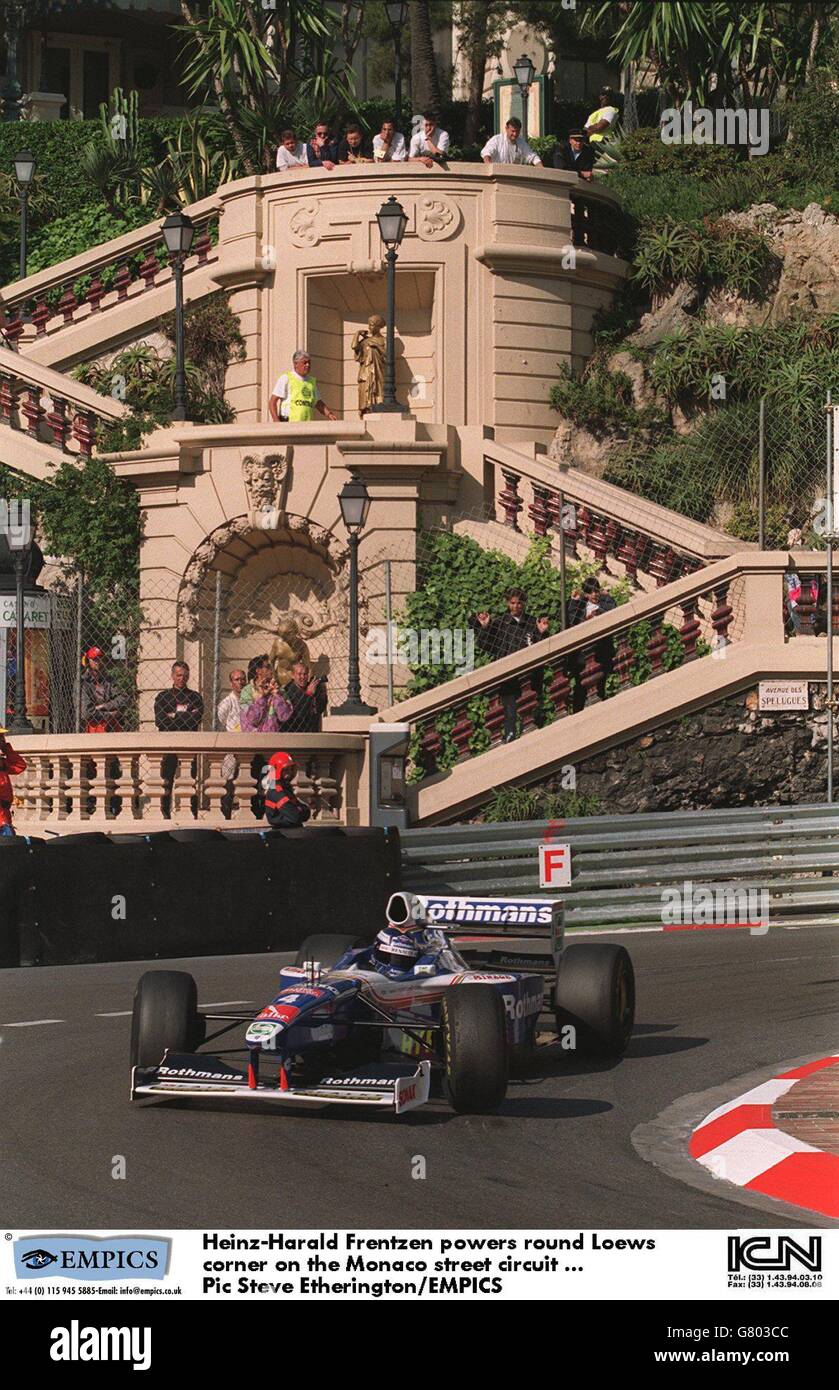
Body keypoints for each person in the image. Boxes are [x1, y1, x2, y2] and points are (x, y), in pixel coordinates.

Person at [469, 588, 550, 743]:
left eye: (519, 603)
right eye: (512, 603)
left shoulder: (532, 623)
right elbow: (486, 646)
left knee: (532, 706)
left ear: (524, 604)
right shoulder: (500, 624)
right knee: (510, 710)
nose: (516, 606)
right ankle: (510, 735)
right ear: (507, 603)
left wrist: (542, 632)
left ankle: (534, 734)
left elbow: (542, 647)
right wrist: (485, 628)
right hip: (507, 674)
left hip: (529, 674)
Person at [567, 576, 617, 712]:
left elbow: (612, 610)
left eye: (596, 591)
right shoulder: (581, 605)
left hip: (603, 649)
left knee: (602, 681)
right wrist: (575, 602)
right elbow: (572, 620)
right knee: (582, 687)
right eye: (590, 592)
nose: (594, 595)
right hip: (584, 654)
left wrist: (602, 606)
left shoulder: (605, 602)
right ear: (586, 594)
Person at [269, 350, 338, 423]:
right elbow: (272, 402)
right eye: (304, 363)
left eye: (309, 363)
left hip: (306, 425)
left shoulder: (311, 382)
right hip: (289, 424)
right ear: (296, 364)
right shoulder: (286, 378)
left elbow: (318, 402)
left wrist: (329, 414)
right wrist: (276, 421)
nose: (307, 365)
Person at [79, 646, 127, 733]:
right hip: (92, 727)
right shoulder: (83, 682)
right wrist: (110, 714)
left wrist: (103, 706)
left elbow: (122, 699)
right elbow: (86, 713)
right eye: (94, 659)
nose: (98, 662)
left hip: (110, 726)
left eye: (99, 658)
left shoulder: (108, 680)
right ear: (88, 661)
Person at [263, 751, 311, 829]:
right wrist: (300, 810)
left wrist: (301, 810)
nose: (290, 772)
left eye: (291, 769)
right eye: (286, 770)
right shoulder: (276, 791)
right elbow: (295, 816)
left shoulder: (285, 788)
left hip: (289, 831)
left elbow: (306, 812)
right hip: (282, 834)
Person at [154, 662, 204, 732]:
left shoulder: (195, 697)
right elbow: (160, 721)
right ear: (172, 676)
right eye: (179, 675)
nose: (182, 678)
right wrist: (187, 715)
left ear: (188, 676)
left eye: (185, 676)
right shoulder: (163, 697)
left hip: (189, 738)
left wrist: (173, 715)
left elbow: (196, 720)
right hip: (167, 738)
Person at [280, 661, 327, 733]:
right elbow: (297, 713)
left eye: (305, 674)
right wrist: (308, 695)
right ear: (293, 675)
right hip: (294, 730)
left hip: (312, 729)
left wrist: (322, 693)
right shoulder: (287, 691)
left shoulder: (312, 687)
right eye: (299, 674)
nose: (303, 677)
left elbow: (319, 709)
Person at [217, 668, 245, 785]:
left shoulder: (250, 700)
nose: (241, 682)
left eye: (243, 679)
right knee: (229, 777)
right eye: (237, 679)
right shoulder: (227, 702)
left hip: (247, 742)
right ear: (231, 683)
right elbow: (221, 720)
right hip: (232, 743)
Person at [0, 726, 26, 837]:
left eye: (2, 737)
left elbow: (20, 766)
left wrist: (6, 748)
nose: (2, 739)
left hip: (4, 814)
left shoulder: (2, 763)